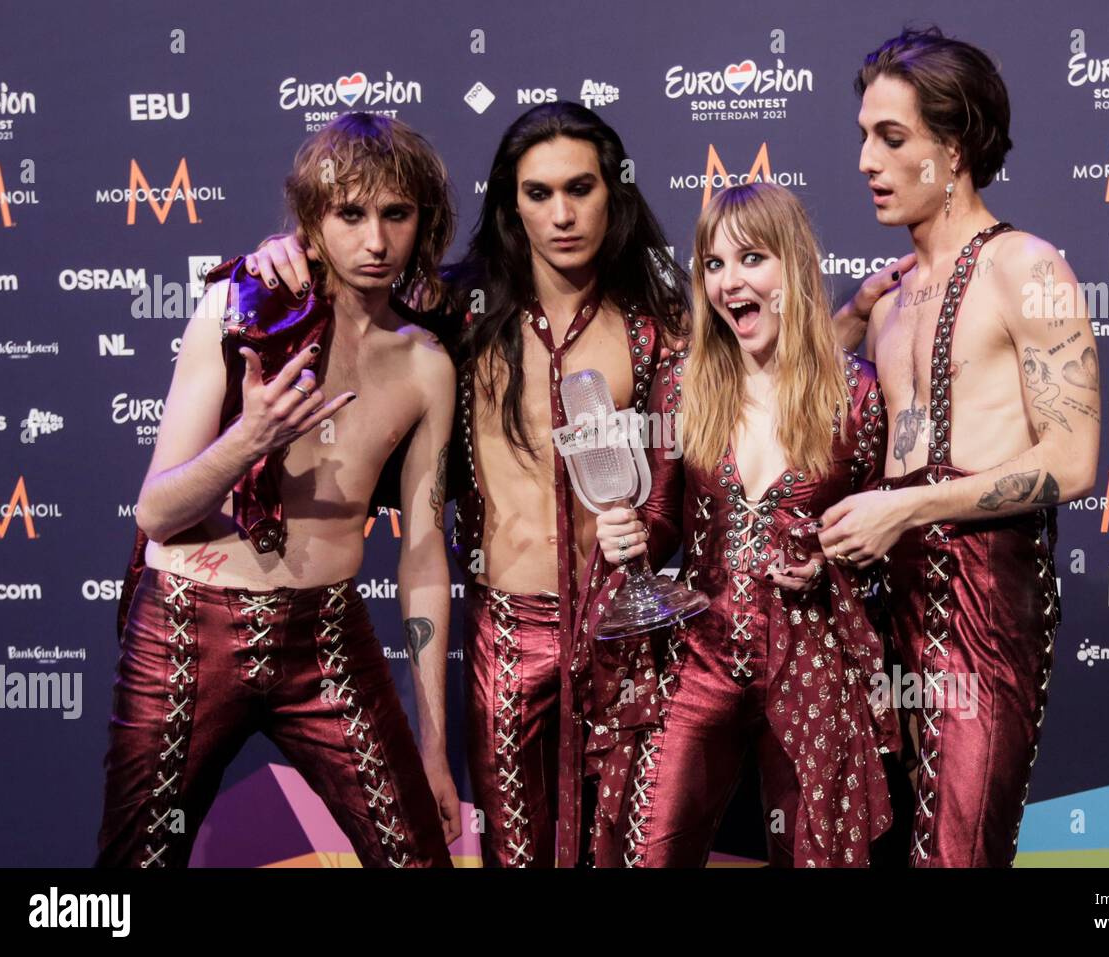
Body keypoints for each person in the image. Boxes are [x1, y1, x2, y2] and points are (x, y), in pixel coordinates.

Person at [248, 102, 690, 867]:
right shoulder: (456, 310)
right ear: (511, 204)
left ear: (613, 192)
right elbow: (345, 285)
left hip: (622, 629)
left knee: (627, 850)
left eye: (580, 189)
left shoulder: (655, 324)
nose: (562, 214)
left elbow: (702, 459)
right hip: (509, 632)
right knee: (513, 855)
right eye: (539, 193)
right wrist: (280, 257)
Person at [97, 113, 460, 868]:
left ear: (422, 221)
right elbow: (157, 511)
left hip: (325, 636)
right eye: (350, 214)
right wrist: (249, 439)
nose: (375, 241)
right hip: (190, 626)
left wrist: (434, 745)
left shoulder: (427, 364)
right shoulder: (238, 310)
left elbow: (424, 556)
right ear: (310, 220)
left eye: (396, 214)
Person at [818, 27, 1102, 867]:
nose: (867, 160)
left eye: (892, 139)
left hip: (983, 599)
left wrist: (910, 505)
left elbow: (1073, 461)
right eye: (864, 135)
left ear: (957, 145)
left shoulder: (1028, 266)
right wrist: (842, 326)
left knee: (958, 853)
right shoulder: (890, 300)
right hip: (886, 605)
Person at [578, 183, 897, 867]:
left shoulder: (860, 394)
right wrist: (628, 533)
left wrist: (829, 560)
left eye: (751, 258)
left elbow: (881, 536)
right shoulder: (682, 386)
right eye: (713, 265)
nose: (728, 282)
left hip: (813, 660)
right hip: (702, 647)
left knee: (818, 856)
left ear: (793, 265)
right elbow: (663, 518)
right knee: (650, 848)